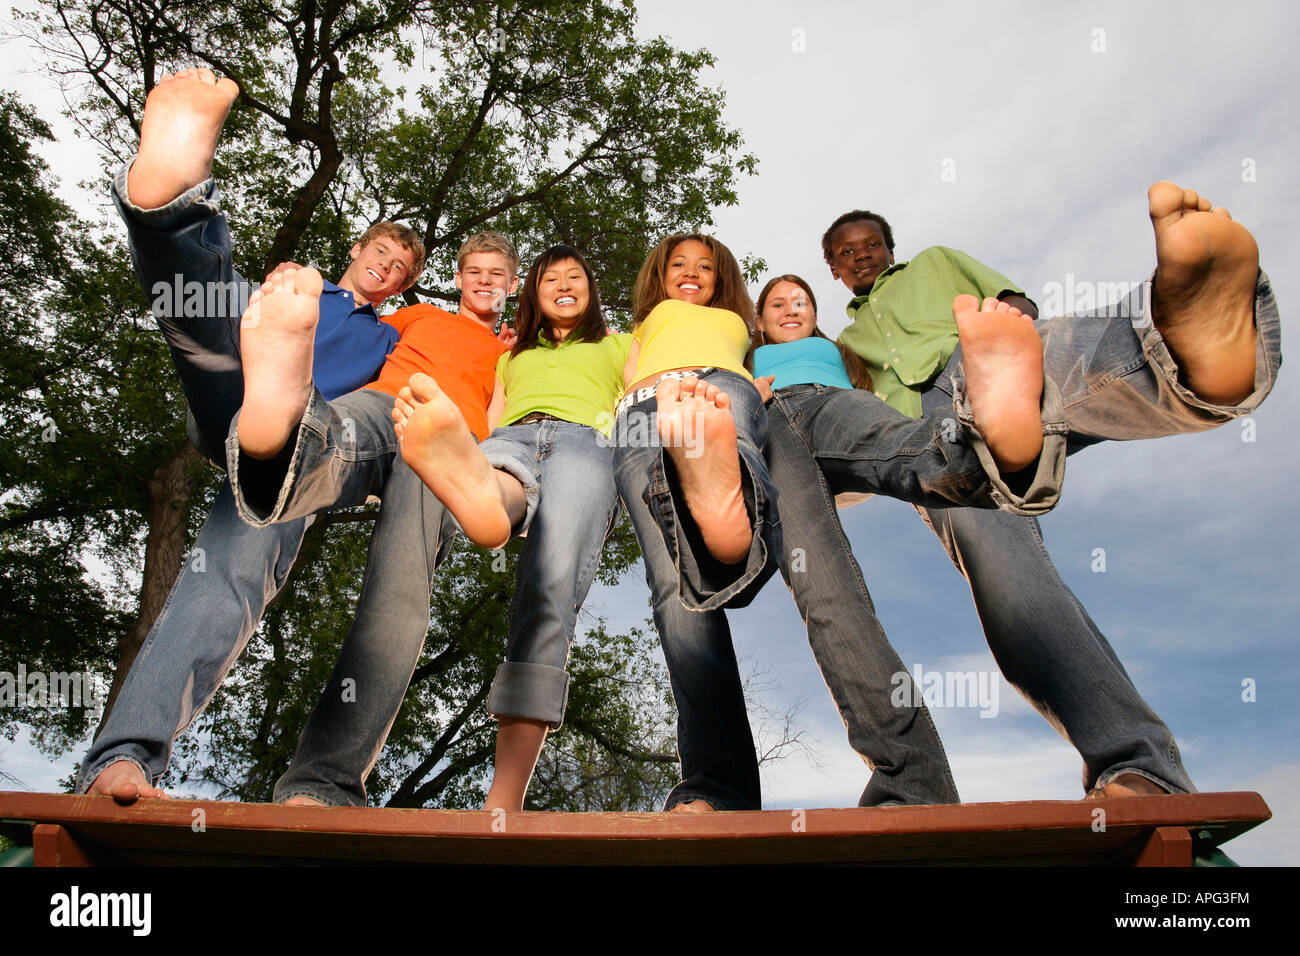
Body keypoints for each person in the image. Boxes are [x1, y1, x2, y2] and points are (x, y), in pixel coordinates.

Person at [820, 182, 1280, 797]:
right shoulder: (846, 346)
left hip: (978, 357)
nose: (861, 256)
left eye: (870, 244)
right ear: (833, 267)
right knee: (1006, 577)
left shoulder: (935, 262)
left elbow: (1012, 300)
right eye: (847, 253)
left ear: (890, 247)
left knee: (1046, 366)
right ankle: (1139, 770)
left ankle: (1185, 343)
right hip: (934, 436)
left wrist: (1015, 349)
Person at [610, 234, 1063, 811]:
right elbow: (612, 379)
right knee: (687, 589)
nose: (693, 273)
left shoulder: (743, 334)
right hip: (659, 417)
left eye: (706, 265)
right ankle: (725, 530)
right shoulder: (645, 331)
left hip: (741, 410)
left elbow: (861, 385)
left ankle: (729, 537)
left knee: (820, 585)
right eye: (680, 264)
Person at [753, 274, 1071, 805]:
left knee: (901, 443)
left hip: (834, 406)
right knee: (823, 592)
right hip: (769, 430)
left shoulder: (841, 354)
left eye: (802, 302)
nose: (791, 309)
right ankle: (912, 784)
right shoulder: (746, 358)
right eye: (778, 304)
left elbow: (895, 372)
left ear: (815, 315)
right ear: (759, 320)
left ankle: (998, 443)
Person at [389, 245, 632, 811]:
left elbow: (644, 395)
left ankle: (504, 798)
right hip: (514, 437)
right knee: (496, 472)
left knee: (549, 596)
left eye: (576, 277)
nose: (564, 284)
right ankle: (484, 501)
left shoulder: (622, 345)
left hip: (585, 445)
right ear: (534, 293)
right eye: (551, 279)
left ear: (591, 291)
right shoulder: (511, 353)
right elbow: (496, 415)